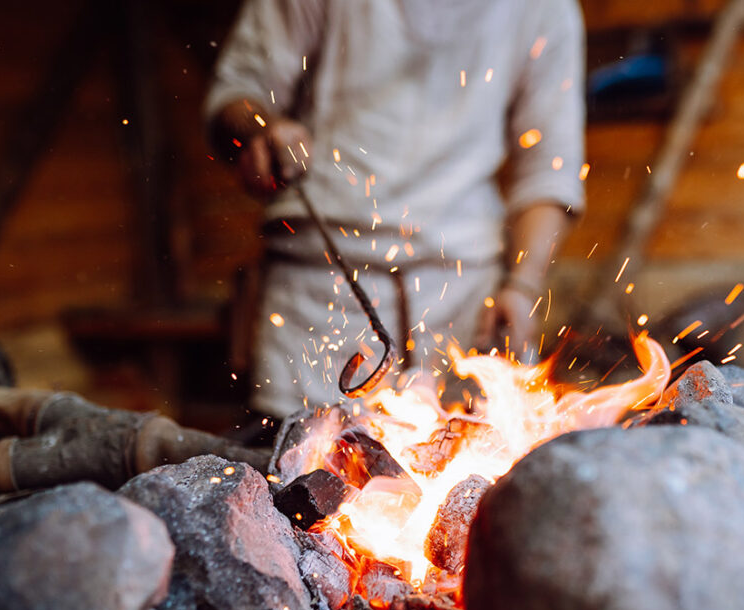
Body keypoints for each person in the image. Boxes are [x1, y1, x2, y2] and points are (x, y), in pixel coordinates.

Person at [206, 0, 586, 425]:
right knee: (302, 463)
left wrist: (523, 285)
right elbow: (237, 94)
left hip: (463, 304)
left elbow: (551, 168)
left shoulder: (545, 9)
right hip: (320, 301)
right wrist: (260, 126)